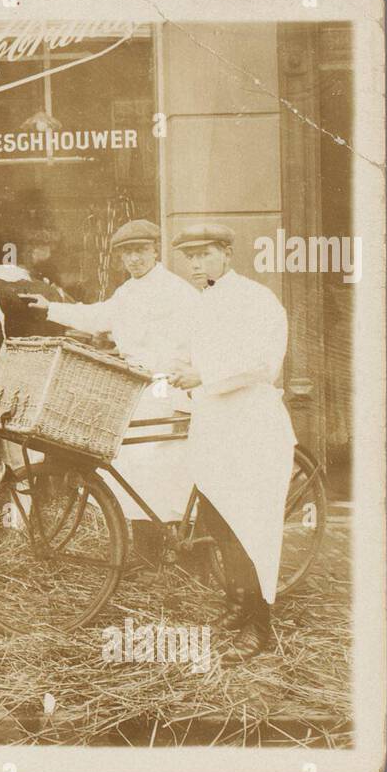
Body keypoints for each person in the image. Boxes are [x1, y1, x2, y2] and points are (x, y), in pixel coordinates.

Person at [21, 219, 200, 562]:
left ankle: (188, 556)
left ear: (154, 251)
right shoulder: (129, 291)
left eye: (140, 251)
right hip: (137, 386)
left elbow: (190, 346)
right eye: (127, 254)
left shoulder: (178, 292)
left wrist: (176, 391)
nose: (134, 260)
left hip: (167, 386)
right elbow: (100, 315)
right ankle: (148, 554)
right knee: (132, 471)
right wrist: (50, 309)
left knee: (164, 471)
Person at [167, 223, 296, 662]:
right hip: (215, 427)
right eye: (190, 257)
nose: (196, 263)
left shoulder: (256, 299)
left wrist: (204, 374)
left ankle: (261, 624)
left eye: (204, 254)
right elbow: (189, 354)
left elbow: (263, 362)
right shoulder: (203, 305)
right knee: (220, 522)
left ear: (226, 253)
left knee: (252, 526)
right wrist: (176, 367)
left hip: (253, 428)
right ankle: (239, 604)